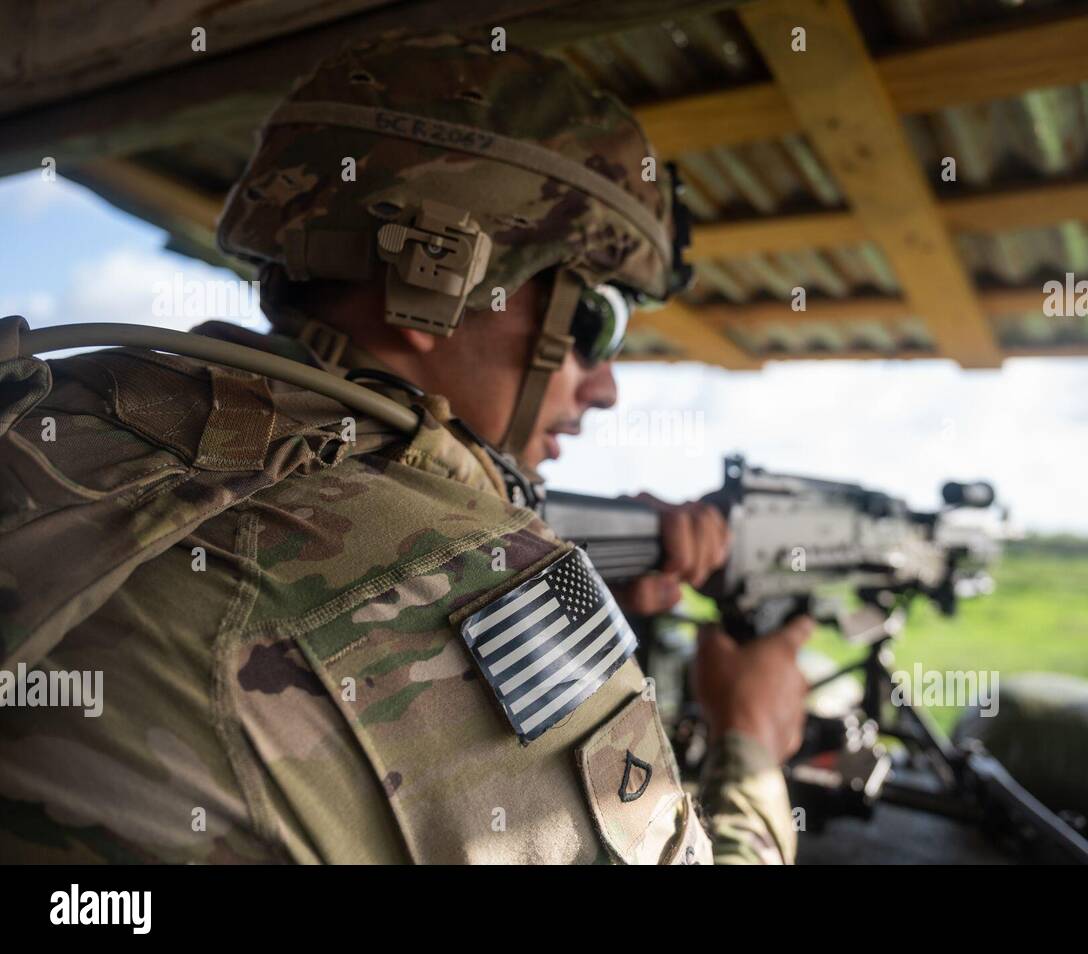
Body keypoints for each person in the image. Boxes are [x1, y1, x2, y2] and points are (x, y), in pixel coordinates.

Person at [0, 30, 810, 864]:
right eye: (596, 320)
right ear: (438, 280)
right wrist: (750, 739)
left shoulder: (91, 413)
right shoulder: (478, 578)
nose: (605, 388)